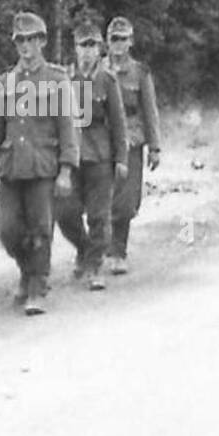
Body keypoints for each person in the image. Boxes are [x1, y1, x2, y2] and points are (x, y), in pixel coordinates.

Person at [0, 11, 78, 315]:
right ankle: (27, 270)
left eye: (31, 39)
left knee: (41, 228)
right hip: (12, 167)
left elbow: (67, 126)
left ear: (42, 41)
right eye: (20, 40)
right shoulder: (5, 81)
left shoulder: (56, 80)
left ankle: (37, 284)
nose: (26, 46)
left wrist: (66, 169)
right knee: (8, 229)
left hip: (43, 165)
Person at [55, 20, 128, 291]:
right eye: (83, 45)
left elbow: (118, 122)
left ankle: (95, 265)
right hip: (70, 157)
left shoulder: (107, 81)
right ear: (74, 49)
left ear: (100, 49)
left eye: (93, 46)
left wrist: (121, 158)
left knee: (99, 214)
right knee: (65, 212)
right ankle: (84, 248)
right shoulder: (64, 78)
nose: (87, 51)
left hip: (99, 156)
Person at [102, 16, 162, 275]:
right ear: (107, 41)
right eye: (114, 38)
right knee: (99, 199)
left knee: (126, 202)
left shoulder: (140, 72)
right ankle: (97, 248)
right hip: (101, 142)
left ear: (131, 41)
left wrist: (155, 146)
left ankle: (118, 250)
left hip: (131, 142)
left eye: (123, 39)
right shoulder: (96, 70)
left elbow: (149, 110)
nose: (118, 44)